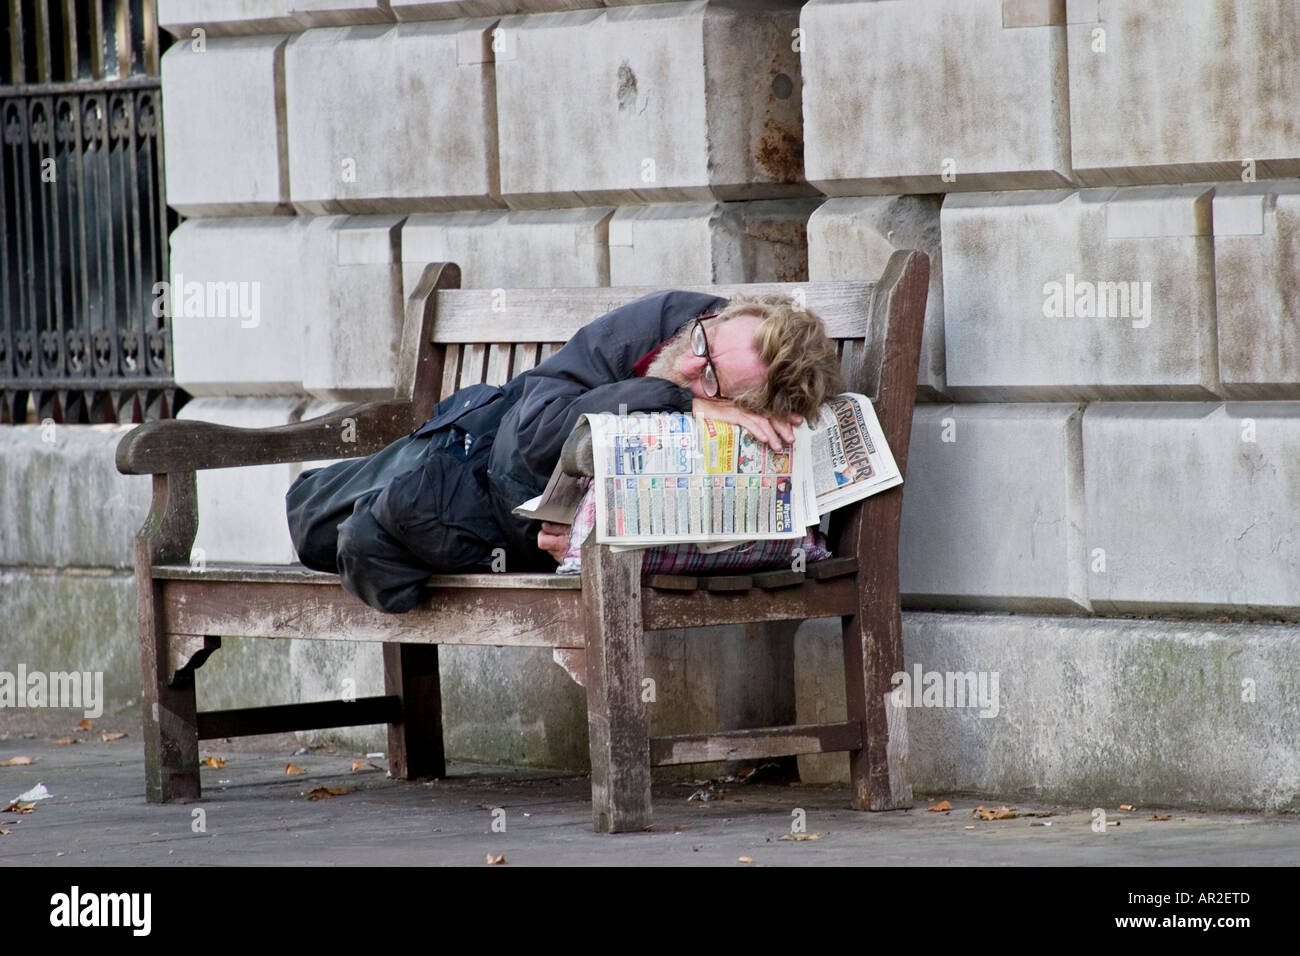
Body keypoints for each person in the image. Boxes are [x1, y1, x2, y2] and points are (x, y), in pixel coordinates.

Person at [286, 289, 845, 613]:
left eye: (715, 383)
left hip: (514, 522)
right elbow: (533, 432)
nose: (691, 363)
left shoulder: (754, 425)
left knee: (373, 534)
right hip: (477, 448)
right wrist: (682, 400)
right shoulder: (675, 321)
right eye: (705, 345)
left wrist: (577, 529)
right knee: (310, 518)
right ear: (716, 319)